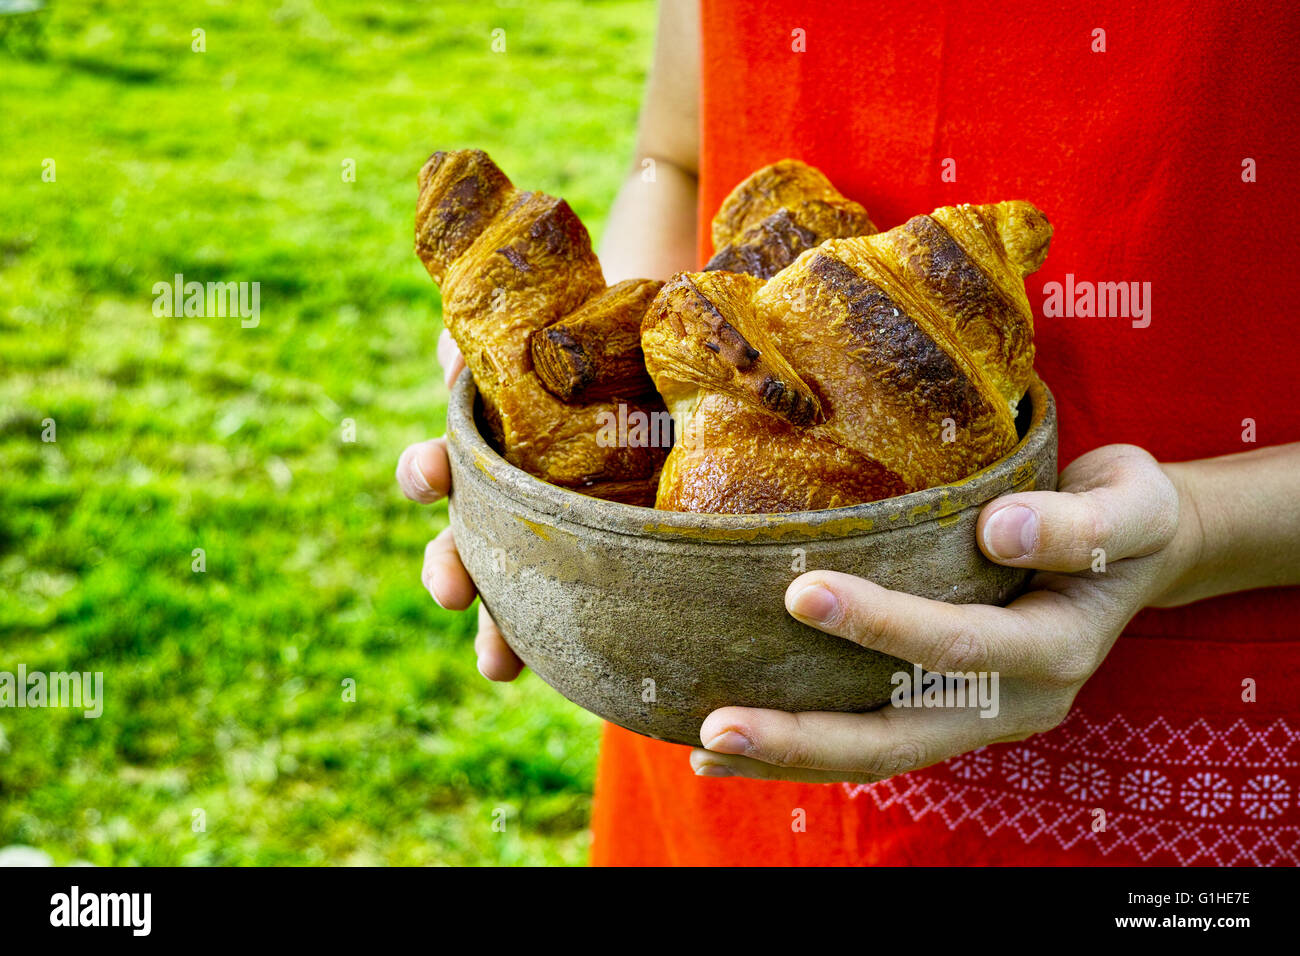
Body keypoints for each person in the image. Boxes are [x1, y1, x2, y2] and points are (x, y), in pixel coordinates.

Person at [397, 0, 1300, 865]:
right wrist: (585, 423)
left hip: (1171, 739)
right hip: (713, 669)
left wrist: (1195, 530)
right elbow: (671, 157)